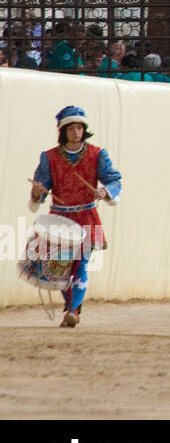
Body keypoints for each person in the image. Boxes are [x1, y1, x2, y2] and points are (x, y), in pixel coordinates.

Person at [27, 106, 123, 328]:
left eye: (79, 127)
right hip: (59, 218)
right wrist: (37, 192)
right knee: (60, 268)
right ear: (63, 130)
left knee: (80, 265)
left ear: (84, 129)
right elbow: (40, 190)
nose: (76, 132)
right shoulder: (49, 157)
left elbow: (113, 180)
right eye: (71, 128)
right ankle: (72, 307)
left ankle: (73, 311)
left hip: (86, 215)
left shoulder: (98, 154)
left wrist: (106, 191)